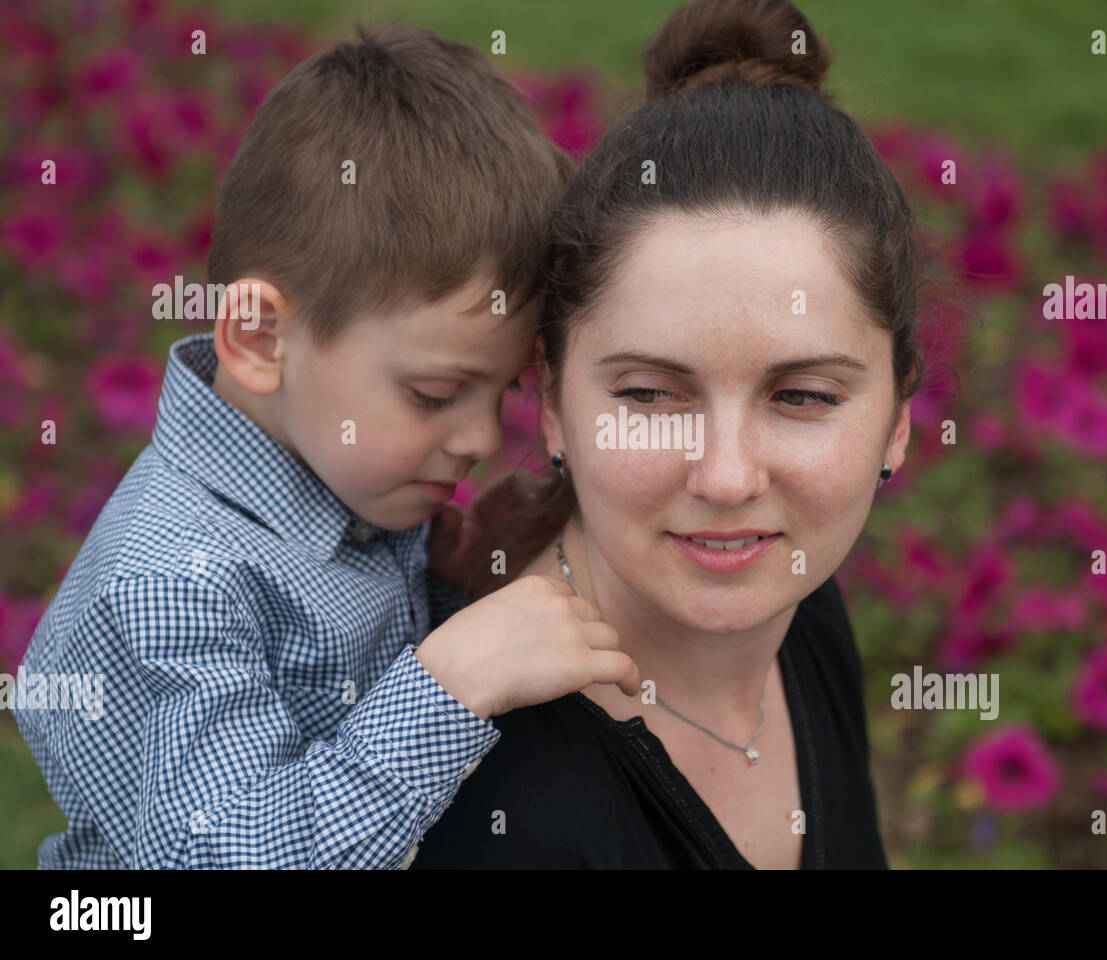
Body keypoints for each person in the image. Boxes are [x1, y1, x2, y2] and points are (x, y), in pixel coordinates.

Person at [13, 22, 638, 869]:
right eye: (434, 394)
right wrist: (449, 686)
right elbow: (239, 856)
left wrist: (449, 585)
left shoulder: (341, 481)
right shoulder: (167, 590)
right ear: (261, 337)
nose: (483, 439)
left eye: (505, 393)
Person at [412, 0, 921, 869]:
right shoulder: (500, 808)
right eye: (649, 393)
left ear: (898, 421)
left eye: (801, 396)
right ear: (554, 403)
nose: (727, 479)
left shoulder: (801, 615)